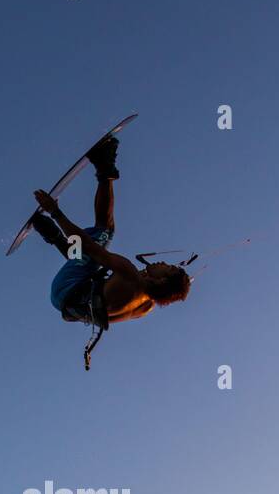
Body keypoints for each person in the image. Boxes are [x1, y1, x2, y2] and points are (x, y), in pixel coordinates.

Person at [30, 136, 191, 347]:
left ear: (161, 281)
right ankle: (52, 235)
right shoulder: (145, 307)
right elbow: (100, 312)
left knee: (105, 230)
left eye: (167, 268)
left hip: (68, 288)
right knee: (90, 262)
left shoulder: (129, 274)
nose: (163, 263)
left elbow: (87, 246)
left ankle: (104, 166)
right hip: (64, 303)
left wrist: (55, 212)